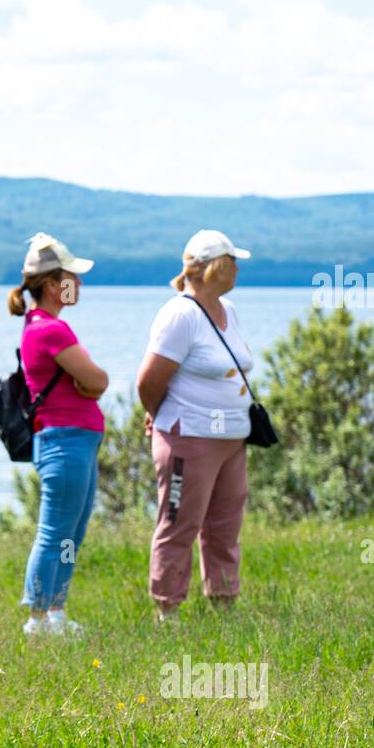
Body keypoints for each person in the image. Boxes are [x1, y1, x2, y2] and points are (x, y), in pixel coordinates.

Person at [136, 230, 255, 624]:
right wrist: (159, 416)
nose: (238, 267)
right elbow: (149, 381)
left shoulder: (229, 310)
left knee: (225, 523)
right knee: (179, 522)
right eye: (233, 260)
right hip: (188, 438)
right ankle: (167, 609)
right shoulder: (180, 314)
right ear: (215, 266)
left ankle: (223, 602)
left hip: (231, 440)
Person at [11, 233, 107, 637]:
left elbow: (91, 383)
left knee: (72, 532)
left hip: (74, 441)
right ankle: (36, 620)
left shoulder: (47, 328)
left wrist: (88, 384)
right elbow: (98, 380)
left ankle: (55, 614)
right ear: (53, 283)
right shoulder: (50, 330)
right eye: (72, 277)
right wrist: (88, 384)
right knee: (55, 533)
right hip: (65, 442)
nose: (79, 284)